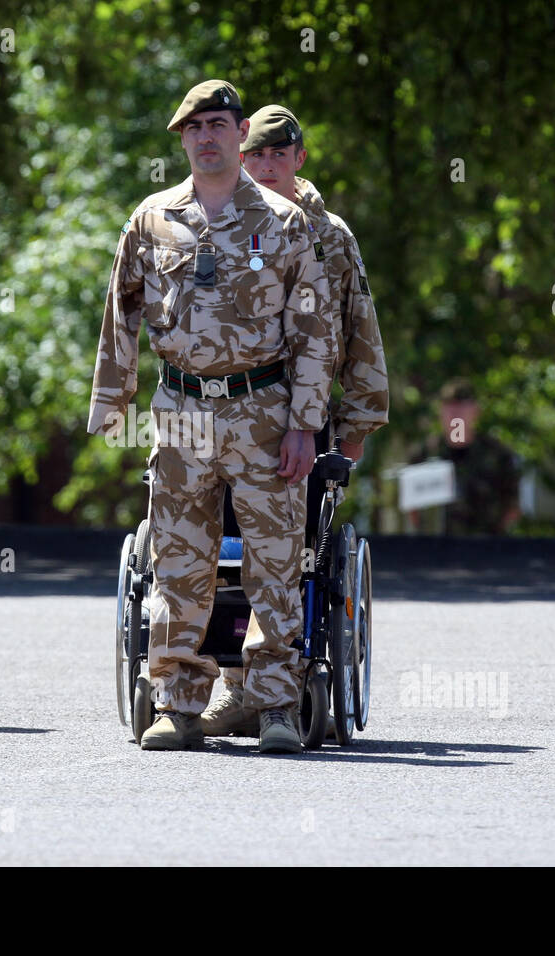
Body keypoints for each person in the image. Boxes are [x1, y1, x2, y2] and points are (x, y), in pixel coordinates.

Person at [88, 80, 335, 753]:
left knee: (275, 563)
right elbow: (122, 314)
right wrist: (112, 403)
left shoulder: (284, 225)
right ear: (183, 139)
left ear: (241, 130)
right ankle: (179, 705)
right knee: (180, 566)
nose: (205, 137)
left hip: (263, 410)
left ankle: (277, 705)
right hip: (181, 413)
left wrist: (305, 423)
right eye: (193, 128)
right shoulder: (152, 219)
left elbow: (314, 331)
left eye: (217, 124)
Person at [202, 104, 391, 737]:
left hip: (305, 424)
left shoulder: (329, 234)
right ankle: (235, 686)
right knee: (227, 552)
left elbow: (359, 328)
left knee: (293, 555)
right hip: (229, 416)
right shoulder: (221, 220)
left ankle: (284, 681)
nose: (265, 164)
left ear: (299, 159)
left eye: (277, 154)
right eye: (254, 154)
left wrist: (358, 422)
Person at [409, 379, 520, 535]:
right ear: (440, 412)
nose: (455, 414)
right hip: (435, 552)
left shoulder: (498, 455)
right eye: (450, 408)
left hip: (485, 550)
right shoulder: (423, 454)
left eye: (461, 408)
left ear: (476, 411)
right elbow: (412, 511)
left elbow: (512, 508)